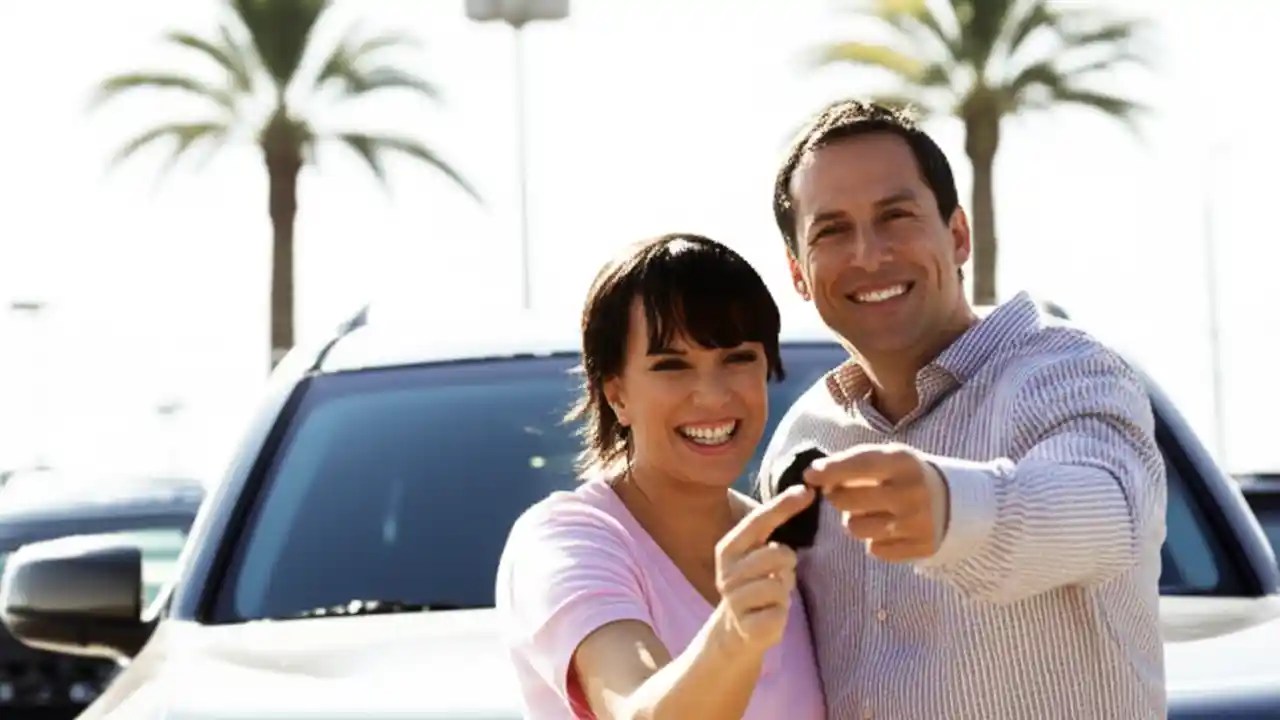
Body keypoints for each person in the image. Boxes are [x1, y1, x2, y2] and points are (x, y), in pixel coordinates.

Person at [759, 99, 1168, 719]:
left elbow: (1111, 509)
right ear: (797, 272)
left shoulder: (1065, 372)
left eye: (896, 216)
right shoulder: (801, 439)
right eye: (832, 231)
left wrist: (956, 508)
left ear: (957, 234)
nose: (869, 254)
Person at [495, 233, 827, 719]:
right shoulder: (569, 540)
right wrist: (733, 637)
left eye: (738, 359)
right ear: (616, 395)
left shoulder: (793, 542)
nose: (712, 396)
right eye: (671, 366)